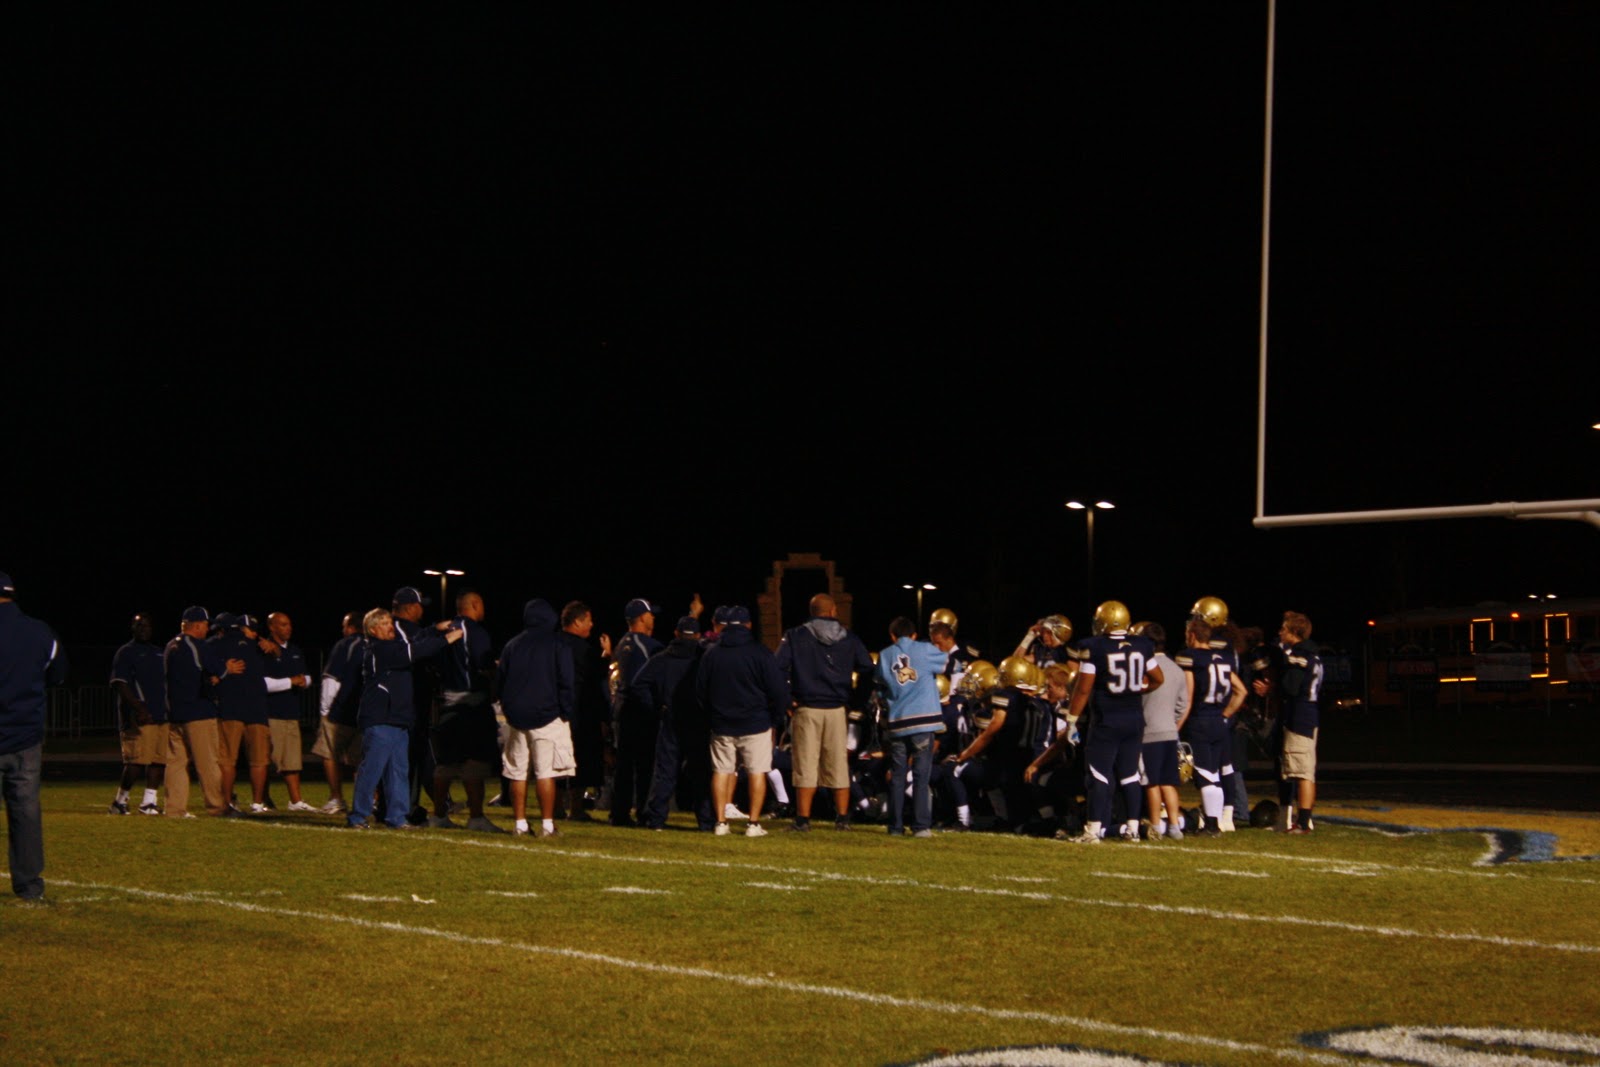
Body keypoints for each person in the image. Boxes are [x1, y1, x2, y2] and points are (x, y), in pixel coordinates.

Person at [348, 608, 461, 830]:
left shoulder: (392, 647)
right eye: (383, 624)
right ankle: (357, 817)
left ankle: (397, 817)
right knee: (372, 771)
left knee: (399, 772)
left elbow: (414, 642)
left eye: (390, 622)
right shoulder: (380, 649)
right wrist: (447, 638)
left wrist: (433, 629)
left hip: (398, 720)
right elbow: (417, 649)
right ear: (372, 630)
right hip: (381, 719)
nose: (390, 627)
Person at [1062, 600, 1163, 844]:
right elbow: (1158, 679)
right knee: (1129, 775)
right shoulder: (1141, 644)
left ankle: (1093, 831)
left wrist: (1072, 720)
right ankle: (1132, 828)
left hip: (1107, 720)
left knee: (1099, 775)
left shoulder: (1094, 647)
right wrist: (1138, 687)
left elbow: (1084, 690)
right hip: (1134, 719)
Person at [774, 593, 874, 832]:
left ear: (812, 611)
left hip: (807, 708)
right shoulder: (848, 637)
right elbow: (868, 668)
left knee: (805, 765)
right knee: (838, 764)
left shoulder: (796, 636)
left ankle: (803, 820)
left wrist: (787, 699)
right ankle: (842, 819)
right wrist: (856, 700)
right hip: (837, 709)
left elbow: (777, 668)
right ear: (832, 611)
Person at [0, 571, 69, 902]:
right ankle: (29, 886)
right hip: (25, 736)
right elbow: (58, 674)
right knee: (25, 812)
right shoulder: (39, 631)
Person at [696, 605, 788, 838]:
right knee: (757, 771)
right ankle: (753, 824)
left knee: (721, 771)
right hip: (755, 723)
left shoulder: (712, 653)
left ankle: (720, 822)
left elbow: (701, 691)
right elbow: (777, 691)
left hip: (722, 723)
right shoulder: (760, 652)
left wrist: (710, 717)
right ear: (748, 625)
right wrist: (775, 719)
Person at [497, 598, 576, 837]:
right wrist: (566, 711)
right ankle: (547, 825)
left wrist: (509, 709)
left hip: (517, 716)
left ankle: (520, 824)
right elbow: (567, 680)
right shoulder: (556, 643)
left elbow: (501, 681)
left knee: (517, 772)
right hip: (547, 715)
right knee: (545, 771)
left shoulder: (512, 645)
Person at [429, 590, 505, 832]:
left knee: (446, 764)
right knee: (474, 763)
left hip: (448, 702)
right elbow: (482, 665)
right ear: (473, 604)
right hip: (471, 703)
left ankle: (439, 814)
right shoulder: (475, 630)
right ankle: (476, 817)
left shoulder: (442, 630)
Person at [635, 616, 714, 830]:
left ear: (676, 634)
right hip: (698, 720)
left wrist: (654, 706)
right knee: (700, 773)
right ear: (698, 635)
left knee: (665, 772)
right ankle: (706, 822)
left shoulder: (662, 658)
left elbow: (639, 684)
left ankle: (657, 819)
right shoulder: (704, 658)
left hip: (671, 719)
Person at [877, 616, 948, 838]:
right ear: (914, 634)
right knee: (920, 775)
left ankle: (895, 827)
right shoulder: (925, 649)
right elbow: (945, 663)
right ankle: (920, 826)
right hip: (923, 720)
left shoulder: (884, 654)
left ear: (892, 635)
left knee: (898, 776)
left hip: (898, 722)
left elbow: (880, 686)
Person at [1176, 615, 1247, 833]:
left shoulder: (1189, 657)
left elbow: (1187, 699)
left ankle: (1213, 824)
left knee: (1206, 774)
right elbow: (1241, 691)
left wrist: (1176, 727)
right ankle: (1219, 819)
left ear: (1193, 635)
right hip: (1220, 721)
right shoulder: (1224, 659)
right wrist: (1226, 714)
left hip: (1200, 720)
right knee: (1218, 771)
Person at [1254, 611, 1323, 834]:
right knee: (1299, 770)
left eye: (1284, 629)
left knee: (1303, 772)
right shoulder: (1310, 653)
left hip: (1300, 716)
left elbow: (1292, 687)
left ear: (1294, 632)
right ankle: (1299, 821)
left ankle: (1303, 822)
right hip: (1306, 714)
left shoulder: (1300, 654)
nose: (1280, 632)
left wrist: (1272, 688)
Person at [163, 606, 233, 818]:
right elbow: (217, 669)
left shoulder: (171, 645)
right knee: (208, 763)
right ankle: (217, 807)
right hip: (198, 712)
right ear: (198, 625)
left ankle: (174, 809)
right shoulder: (196, 645)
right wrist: (225, 668)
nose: (207, 629)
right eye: (205, 625)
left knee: (176, 763)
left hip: (175, 713)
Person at [609, 597, 663, 827]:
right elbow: (649, 682)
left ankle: (619, 813)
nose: (653, 618)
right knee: (644, 765)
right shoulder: (646, 645)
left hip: (622, 709)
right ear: (642, 617)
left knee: (624, 765)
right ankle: (643, 812)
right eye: (651, 614)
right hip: (640, 710)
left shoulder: (623, 643)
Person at [1133, 621, 1189, 840]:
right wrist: (1171, 722)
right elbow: (1182, 705)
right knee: (1169, 782)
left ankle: (1156, 825)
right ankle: (1175, 826)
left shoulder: (1144, 668)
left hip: (1149, 732)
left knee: (1151, 783)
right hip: (1170, 731)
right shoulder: (1176, 668)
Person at [211, 614, 272, 813]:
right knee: (259, 760)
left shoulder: (216, 644)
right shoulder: (256, 645)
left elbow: (208, 671)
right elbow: (275, 654)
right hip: (257, 708)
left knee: (228, 759)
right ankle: (257, 803)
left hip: (231, 708)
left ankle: (227, 802)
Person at [109, 613, 168, 815]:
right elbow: (120, 683)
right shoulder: (126, 652)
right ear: (132, 628)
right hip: (139, 716)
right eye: (139, 625)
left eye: (147, 626)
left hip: (161, 714)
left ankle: (148, 802)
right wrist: (138, 708)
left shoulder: (159, 653)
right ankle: (120, 801)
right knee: (135, 761)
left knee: (159, 760)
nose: (144, 629)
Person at [557, 600, 610, 821]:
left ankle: (555, 807)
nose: (591, 624)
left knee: (555, 762)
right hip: (581, 714)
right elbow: (596, 681)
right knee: (582, 761)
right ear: (577, 621)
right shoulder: (584, 650)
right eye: (588, 619)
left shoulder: (554, 643)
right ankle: (576, 808)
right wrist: (607, 656)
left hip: (556, 713)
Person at [260, 611, 316, 811]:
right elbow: (262, 684)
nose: (288, 628)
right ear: (272, 627)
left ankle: (295, 800)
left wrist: (304, 682)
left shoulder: (295, 650)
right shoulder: (263, 650)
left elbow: (308, 677)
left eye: (289, 624)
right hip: (271, 713)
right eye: (283, 625)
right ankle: (262, 799)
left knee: (292, 760)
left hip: (291, 712)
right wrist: (290, 682)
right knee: (266, 761)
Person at [312, 612, 365, 813]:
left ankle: (336, 798)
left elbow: (331, 677)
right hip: (365, 711)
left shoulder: (346, 644)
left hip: (341, 711)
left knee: (330, 754)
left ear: (351, 627)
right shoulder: (374, 644)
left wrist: (326, 710)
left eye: (345, 626)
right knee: (362, 760)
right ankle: (369, 800)